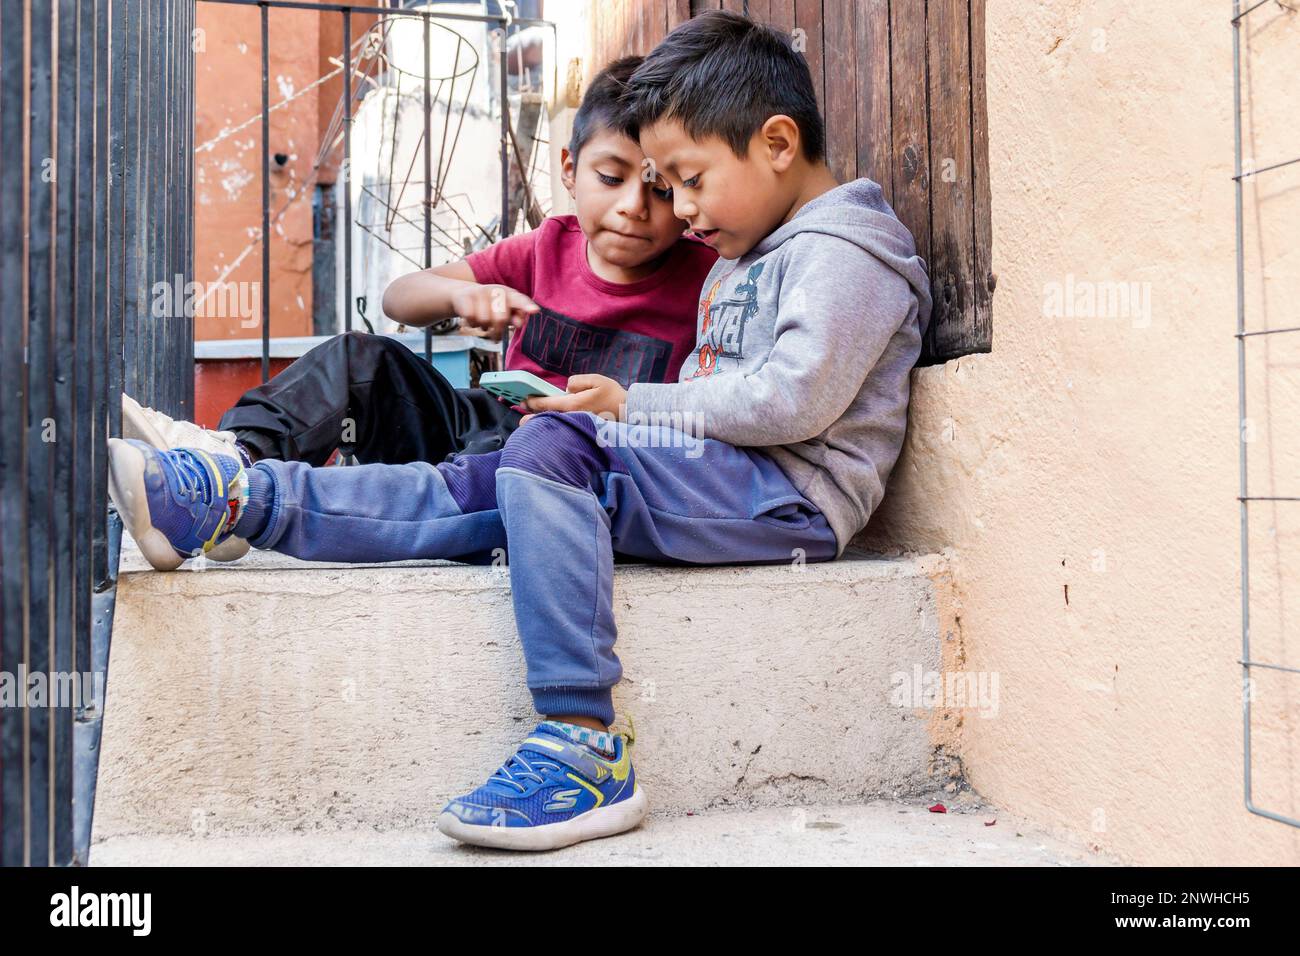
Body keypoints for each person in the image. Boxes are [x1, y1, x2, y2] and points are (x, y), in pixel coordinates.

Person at [106, 10, 932, 852]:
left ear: (778, 143)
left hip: (787, 500)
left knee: (549, 453)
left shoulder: (846, 250)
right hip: (710, 477)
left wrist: (624, 411)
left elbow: (792, 402)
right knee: (493, 473)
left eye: (686, 180)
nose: (679, 209)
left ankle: (585, 743)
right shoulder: (745, 248)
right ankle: (238, 498)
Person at [119, 54, 715, 562]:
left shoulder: (704, 275)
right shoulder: (546, 246)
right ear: (569, 168)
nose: (636, 206)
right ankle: (233, 460)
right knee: (362, 359)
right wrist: (461, 296)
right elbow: (398, 296)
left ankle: (242, 499)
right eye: (611, 177)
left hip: (567, 465)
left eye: (662, 188)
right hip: (478, 427)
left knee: (508, 459)